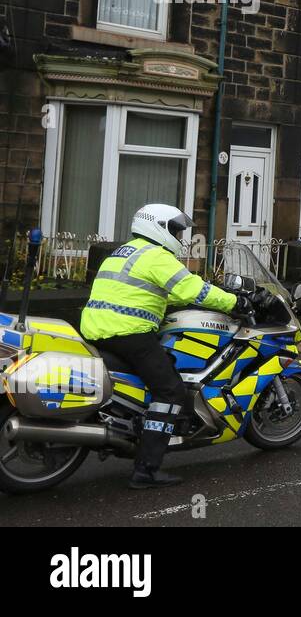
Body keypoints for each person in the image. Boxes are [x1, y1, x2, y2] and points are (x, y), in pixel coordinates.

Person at [80, 204, 246, 489]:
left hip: (97, 330)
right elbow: (194, 289)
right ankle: (146, 470)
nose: (180, 238)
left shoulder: (124, 252)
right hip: (128, 333)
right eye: (177, 230)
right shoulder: (157, 256)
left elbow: (141, 292)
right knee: (170, 391)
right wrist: (235, 302)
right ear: (159, 227)